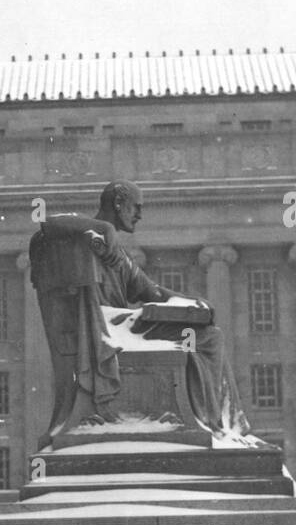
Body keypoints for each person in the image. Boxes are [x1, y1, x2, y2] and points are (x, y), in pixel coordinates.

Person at [28, 180, 246, 448]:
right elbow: (47, 224)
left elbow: (150, 292)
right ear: (118, 204)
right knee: (208, 340)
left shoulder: (119, 257)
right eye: (136, 207)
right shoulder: (83, 237)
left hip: (123, 327)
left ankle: (224, 425)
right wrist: (102, 227)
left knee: (209, 334)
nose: (140, 215)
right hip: (102, 330)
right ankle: (212, 422)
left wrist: (191, 303)